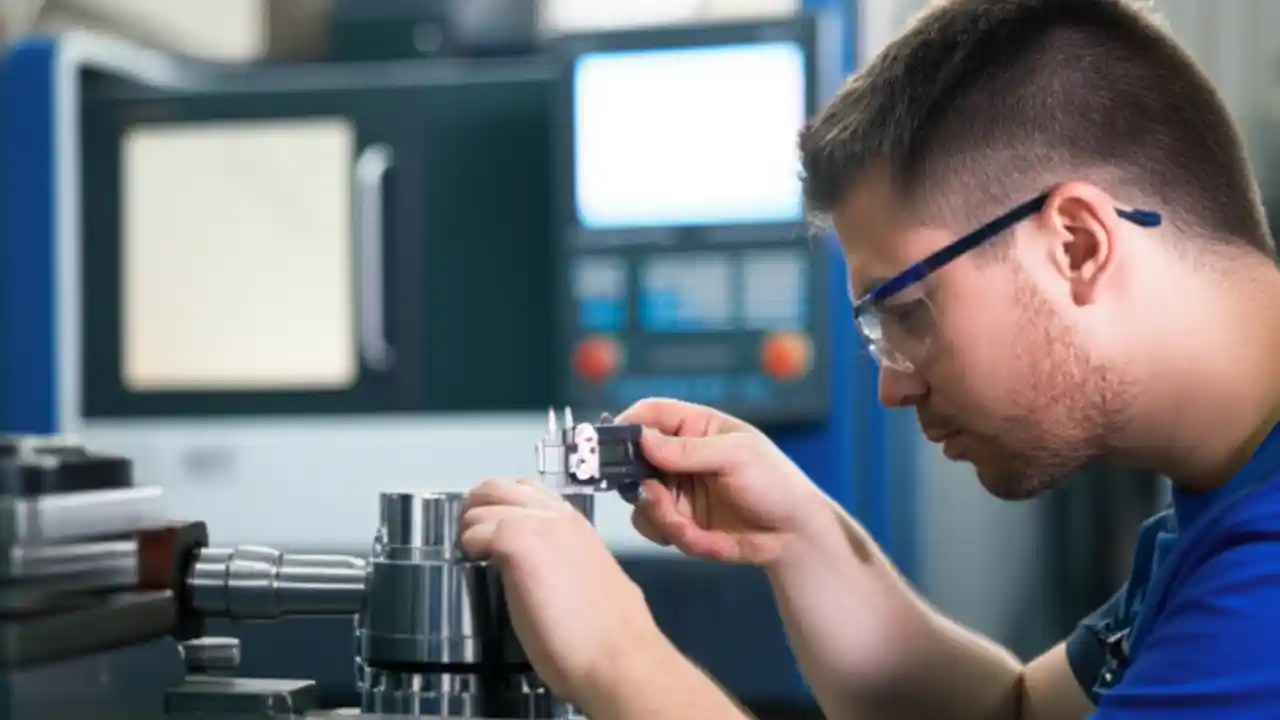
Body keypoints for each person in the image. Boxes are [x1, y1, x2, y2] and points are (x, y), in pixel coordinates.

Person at [460, 0, 1280, 716]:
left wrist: (613, 659)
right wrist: (806, 535)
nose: (892, 384)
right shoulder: (1219, 504)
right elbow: (1020, 715)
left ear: (1075, 244)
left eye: (908, 312)